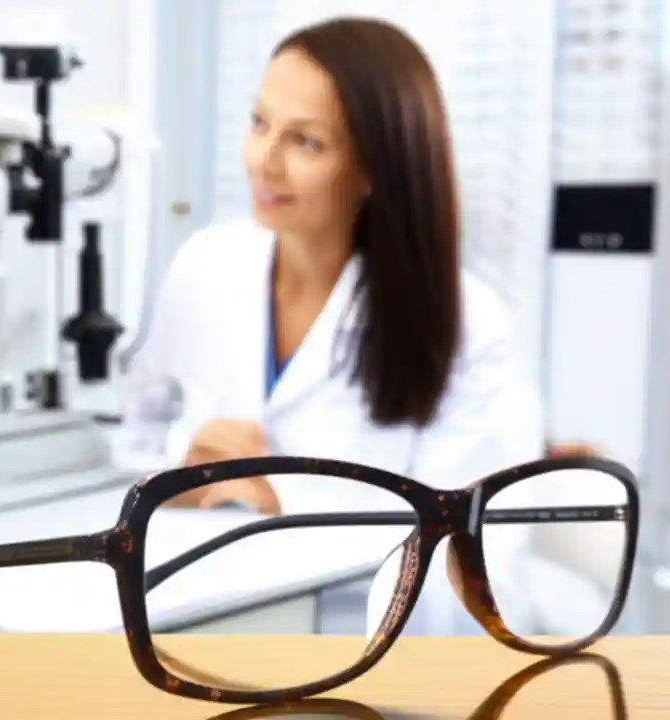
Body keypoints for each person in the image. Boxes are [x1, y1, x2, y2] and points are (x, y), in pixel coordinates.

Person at [132, 19, 544, 633]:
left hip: (359, 660)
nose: (263, 161)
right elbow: (133, 443)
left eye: (306, 143)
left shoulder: (469, 326)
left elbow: (475, 578)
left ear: (378, 167)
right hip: (191, 623)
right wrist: (173, 480)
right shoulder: (204, 266)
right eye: (259, 123)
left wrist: (282, 510)